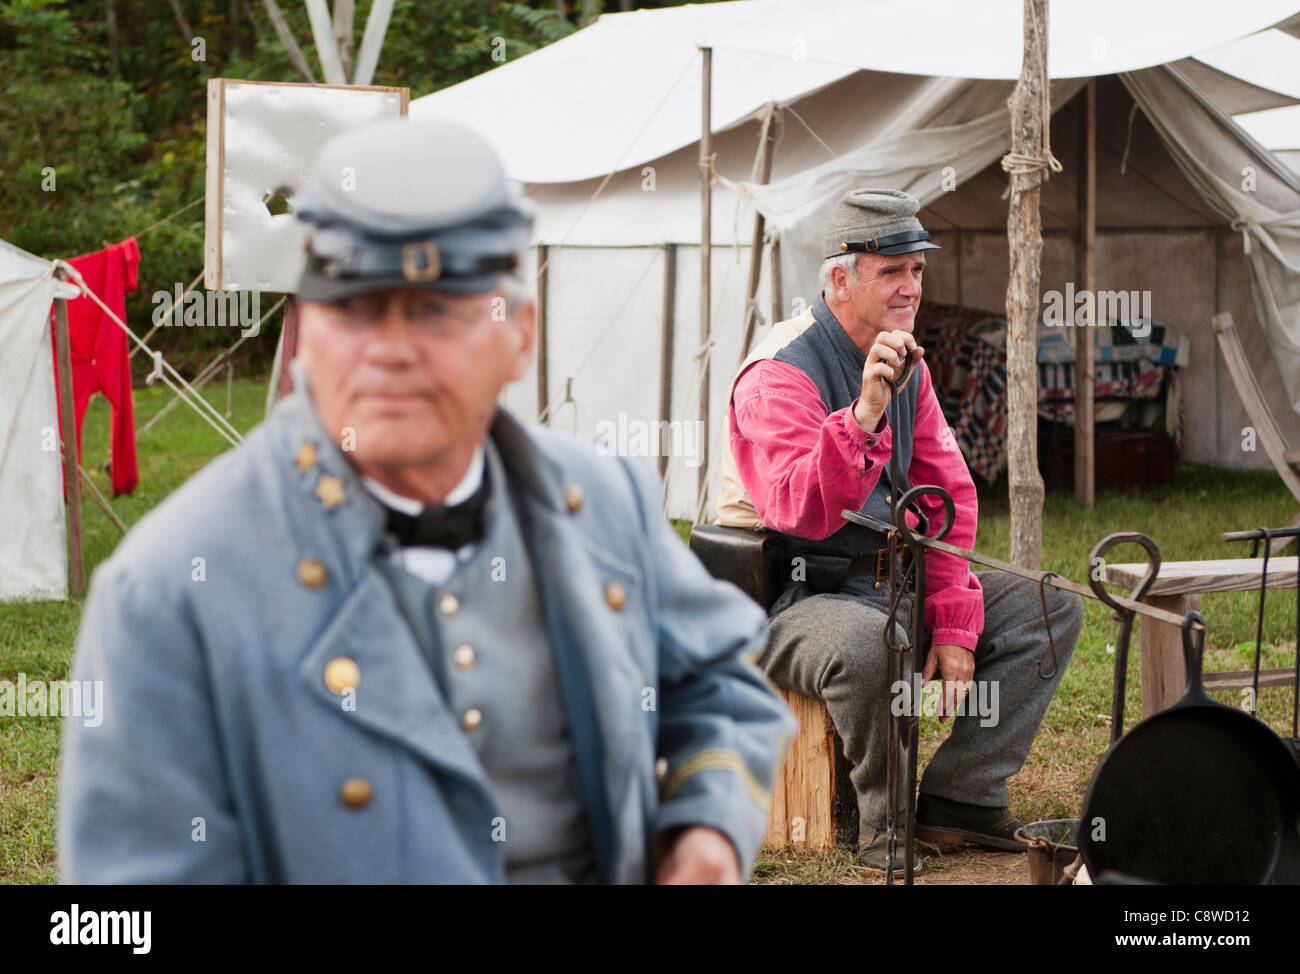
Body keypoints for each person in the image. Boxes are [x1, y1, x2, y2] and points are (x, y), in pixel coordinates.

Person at [58, 117, 795, 885]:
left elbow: (718, 685)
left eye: (436, 309)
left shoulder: (603, 500)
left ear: (521, 335)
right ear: (304, 331)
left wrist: (705, 828)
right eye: (354, 308)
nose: (390, 349)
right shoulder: (171, 587)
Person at [715, 188, 1082, 873]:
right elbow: (800, 508)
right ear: (840, 279)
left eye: (916, 269)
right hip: (787, 603)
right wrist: (862, 417)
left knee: (1050, 604)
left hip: (886, 587)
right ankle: (887, 833)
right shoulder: (777, 374)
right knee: (867, 643)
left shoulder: (904, 360)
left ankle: (961, 800)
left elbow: (947, 495)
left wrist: (951, 619)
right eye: (891, 271)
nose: (910, 286)